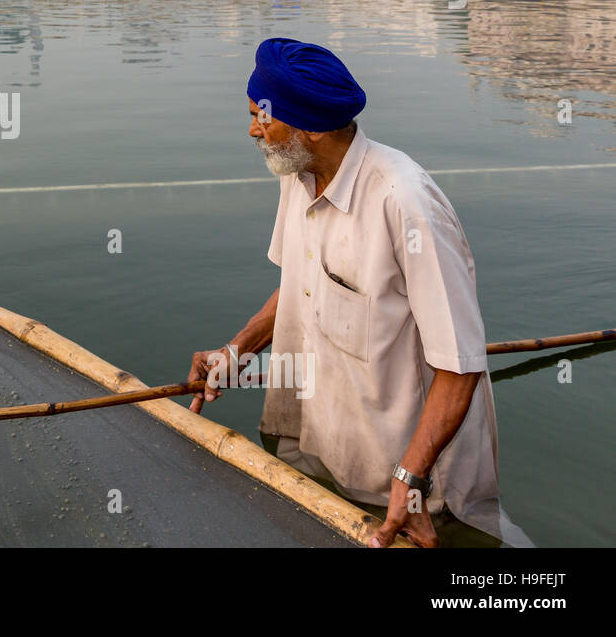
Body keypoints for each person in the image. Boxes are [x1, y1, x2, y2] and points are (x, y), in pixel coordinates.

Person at [188, 37, 530, 549]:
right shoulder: (297, 172)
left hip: (412, 484)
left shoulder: (406, 203)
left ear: (314, 128)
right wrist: (235, 352)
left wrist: (410, 480)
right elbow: (299, 289)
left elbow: (460, 364)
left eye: (263, 117)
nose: (253, 129)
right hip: (317, 446)